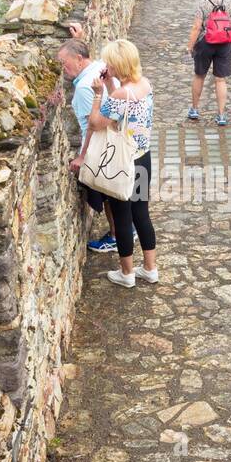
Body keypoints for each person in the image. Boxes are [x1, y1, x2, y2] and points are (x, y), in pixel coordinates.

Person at [87, 39, 158, 288]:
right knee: (141, 214)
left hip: (122, 162)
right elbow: (122, 109)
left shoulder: (120, 95)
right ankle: (150, 269)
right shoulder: (145, 85)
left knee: (122, 216)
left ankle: (126, 273)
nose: (106, 64)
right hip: (142, 157)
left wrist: (98, 95)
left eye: (109, 62)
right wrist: (109, 83)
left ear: (118, 64)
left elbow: (96, 123)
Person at [59, 38, 119, 253]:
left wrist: (82, 157)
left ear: (79, 59)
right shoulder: (101, 66)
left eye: (64, 63)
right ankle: (123, 230)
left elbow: (91, 127)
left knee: (108, 193)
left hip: (101, 145)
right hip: (116, 139)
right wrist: (81, 36)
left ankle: (116, 235)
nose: (63, 69)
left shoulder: (85, 87)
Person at [185, 0, 231, 126]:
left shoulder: (201, 1)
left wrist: (189, 47)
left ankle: (194, 109)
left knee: (199, 75)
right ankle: (221, 115)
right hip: (225, 42)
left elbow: (196, 27)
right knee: (220, 80)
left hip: (205, 42)